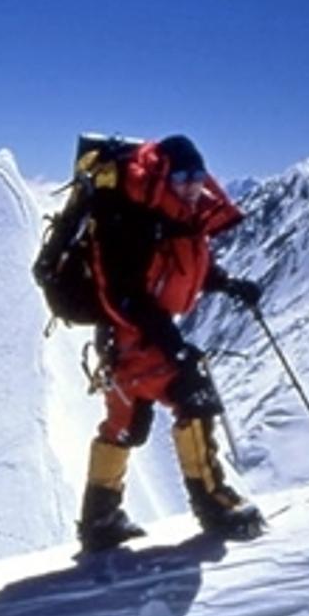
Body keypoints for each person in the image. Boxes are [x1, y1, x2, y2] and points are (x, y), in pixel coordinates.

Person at [73, 134, 265, 552]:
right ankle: (215, 505)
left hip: (123, 339)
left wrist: (227, 283)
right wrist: (170, 341)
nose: (193, 184)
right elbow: (123, 293)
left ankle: (99, 519)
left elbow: (185, 262)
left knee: (126, 425)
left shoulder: (172, 211)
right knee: (192, 396)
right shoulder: (132, 219)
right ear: (163, 174)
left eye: (199, 175)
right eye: (183, 176)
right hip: (135, 336)